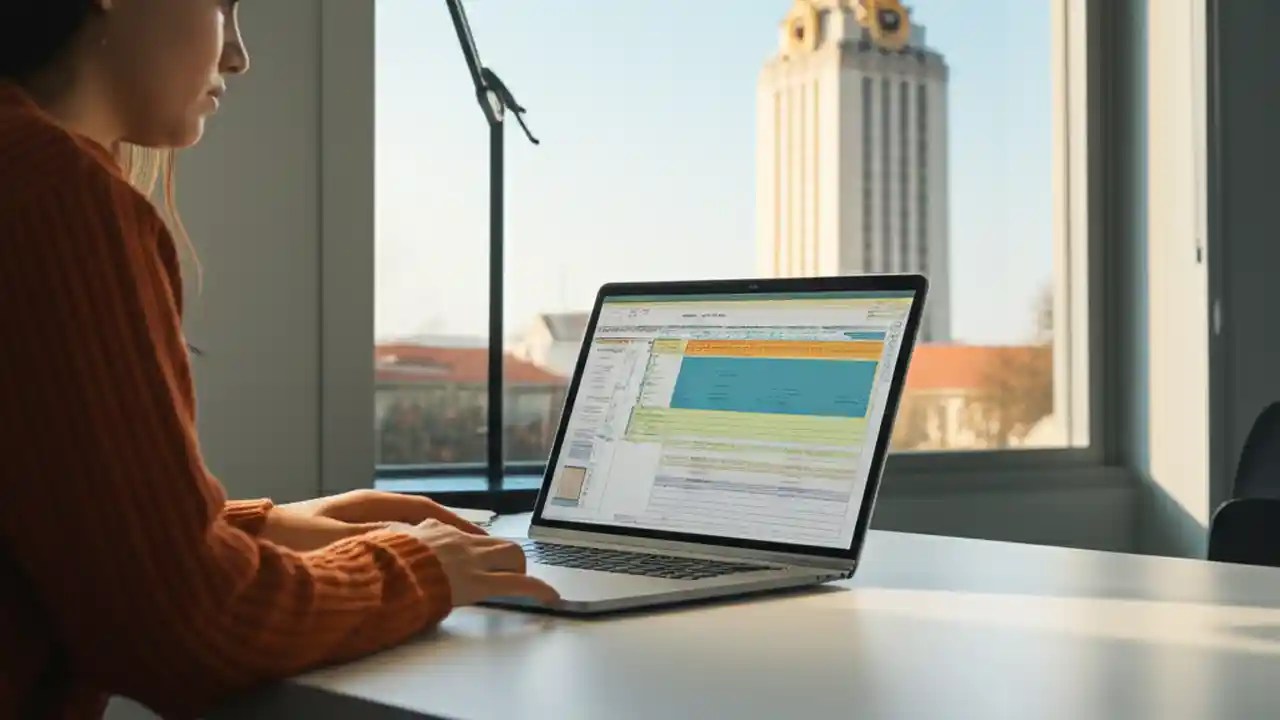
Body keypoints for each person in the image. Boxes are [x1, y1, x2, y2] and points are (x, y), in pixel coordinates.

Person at [0, 1, 558, 717]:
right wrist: (418, 566)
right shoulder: (54, 194)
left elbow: (48, 526)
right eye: (222, 6)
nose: (237, 55)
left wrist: (259, 526)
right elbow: (190, 628)